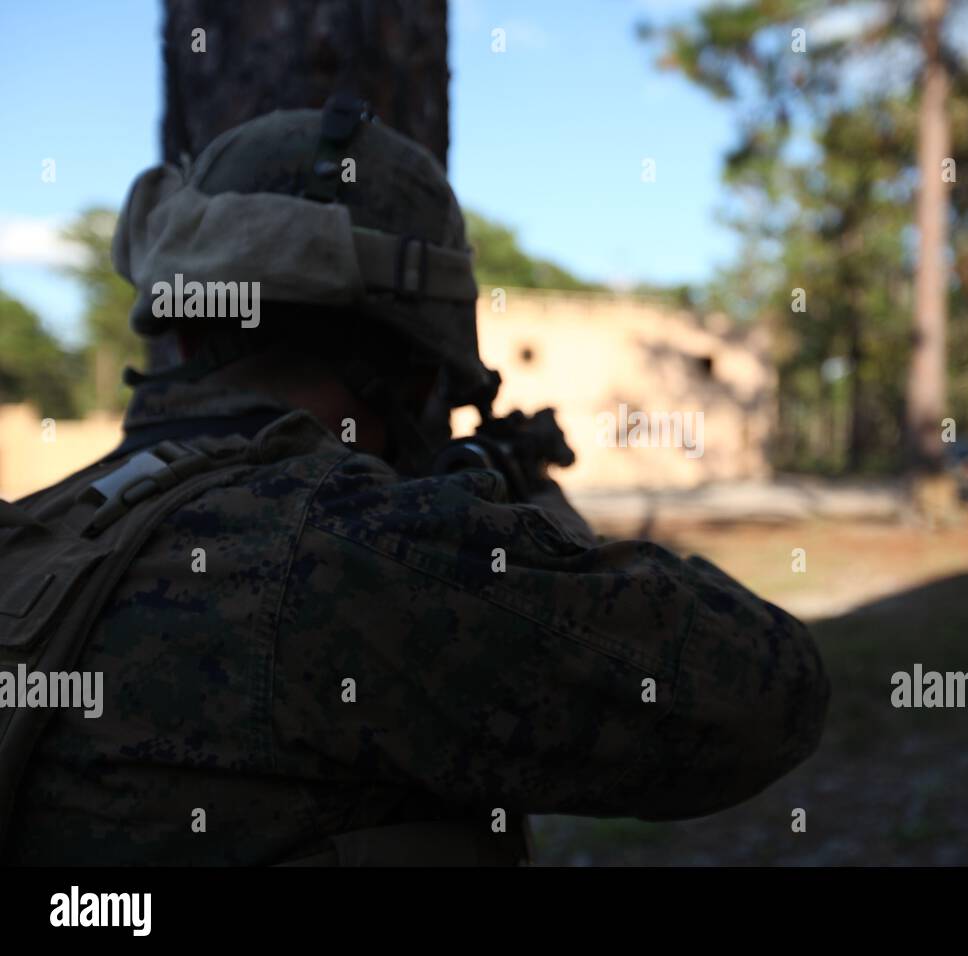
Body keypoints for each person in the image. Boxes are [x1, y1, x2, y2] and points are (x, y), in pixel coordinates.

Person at [0, 99, 830, 866]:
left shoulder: (37, 531)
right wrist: (546, 523)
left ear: (176, 326)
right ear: (413, 359)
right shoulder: (351, 548)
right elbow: (770, 692)